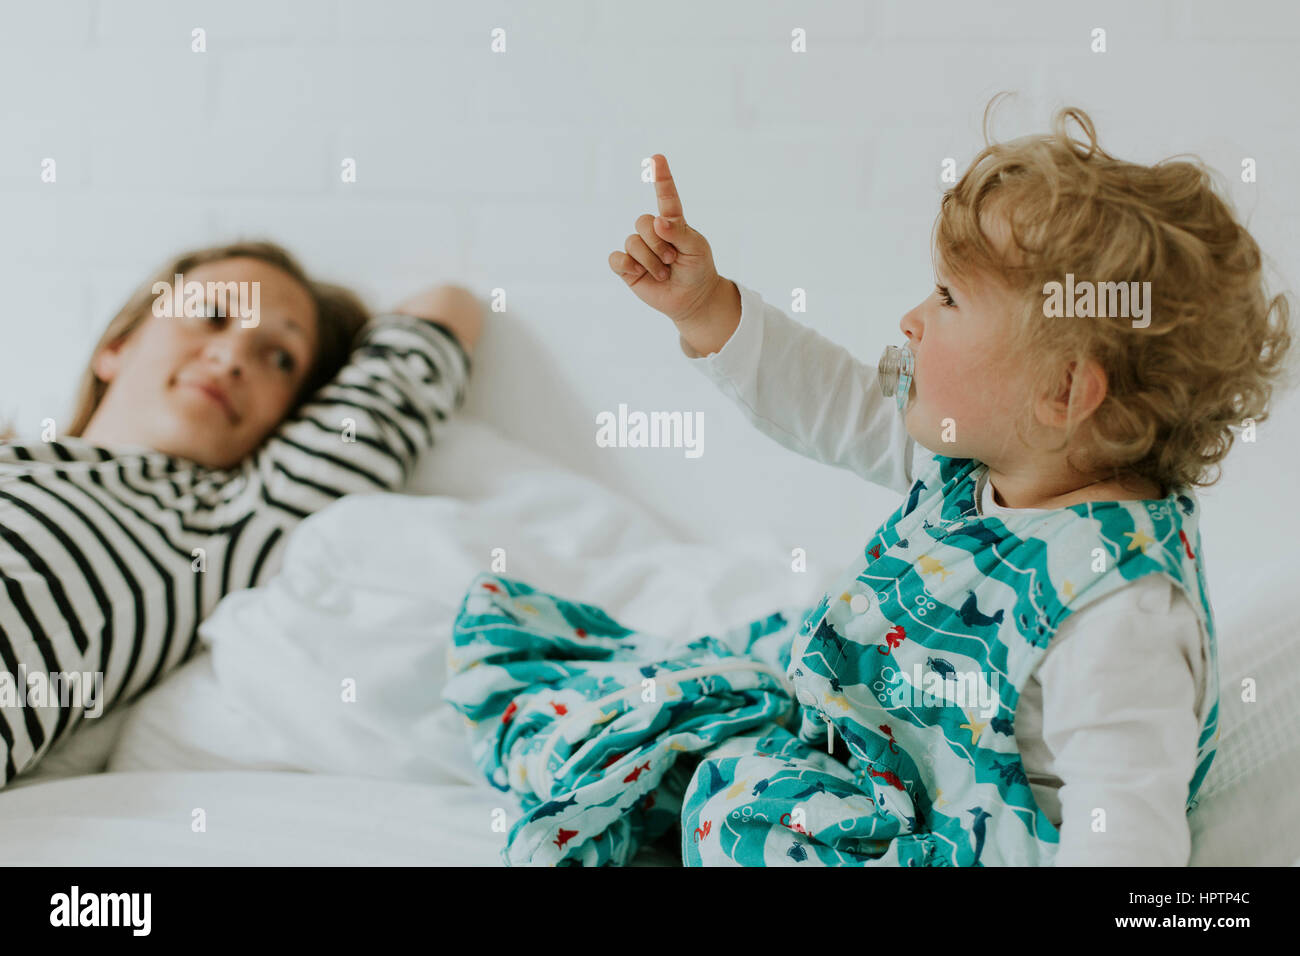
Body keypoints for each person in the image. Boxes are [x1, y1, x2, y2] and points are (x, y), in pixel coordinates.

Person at [443, 99, 1292, 866]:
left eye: (950, 299)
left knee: (739, 813)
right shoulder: (977, 459)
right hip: (881, 749)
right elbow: (831, 400)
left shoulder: (1120, 611)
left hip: (949, 835)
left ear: (1063, 392)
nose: (911, 320)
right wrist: (708, 310)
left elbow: (1127, 830)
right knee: (691, 699)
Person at [0, 240, 483, 788]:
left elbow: (445, 310)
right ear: (118, 344)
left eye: (279, 358)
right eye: (212, 317)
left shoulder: (227, 520)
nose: (231, 359)